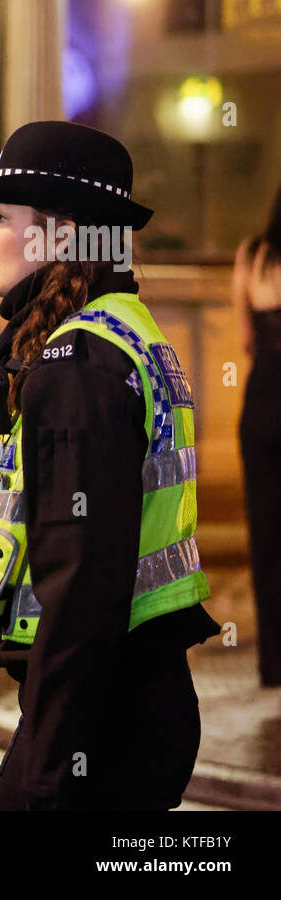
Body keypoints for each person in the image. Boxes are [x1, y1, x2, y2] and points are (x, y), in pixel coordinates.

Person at [0, 120, 220, 810]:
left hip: (100, 721)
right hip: (119, 703)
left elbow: (83, 585)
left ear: (64, 234)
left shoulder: (77, 361)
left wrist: (49, 764)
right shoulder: (120, 331)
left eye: (1, 217)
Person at [233, 178, 281, 688]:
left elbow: (247, 339)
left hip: (262, 405)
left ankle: (272, 663)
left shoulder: (252, 255)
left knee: (264, 539)